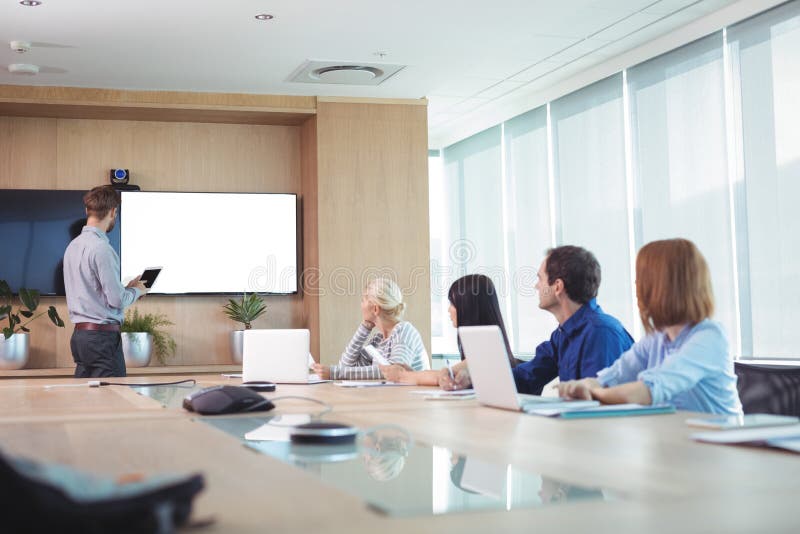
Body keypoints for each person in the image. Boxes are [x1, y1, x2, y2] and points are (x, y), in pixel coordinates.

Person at [557, 239, 743, 415]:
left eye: (643, 279)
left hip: (723, 446)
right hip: (677, 439)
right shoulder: (657, 339)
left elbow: (647, 391)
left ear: (665, 286)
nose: (637, 286)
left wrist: (593, 392)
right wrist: (586, 386)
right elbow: (609, 379)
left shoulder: (710, 337)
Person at [443, 246, 633, 392]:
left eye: (540, 279)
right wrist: (472, 378)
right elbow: (525, 377)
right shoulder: (562, 335)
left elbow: (597, 406)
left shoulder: (601, 334)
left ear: (557, 286)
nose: (536, 286)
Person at [63, 186, 147, 377]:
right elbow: (116, 300)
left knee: (87, 402)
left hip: (81, 337)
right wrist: (138, 291)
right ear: (113, 211)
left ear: (87, 210)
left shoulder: (72, 247)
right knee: (113, 401)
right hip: (101, 339)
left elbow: (93, 292)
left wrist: (127, 289)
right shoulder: (102, 249)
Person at [381, 274, 515, 386]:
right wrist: (411, 374)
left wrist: (402, 376)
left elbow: (444, 376)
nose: (448, 310)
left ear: (468, 308)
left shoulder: (487, 347)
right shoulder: (484, 344)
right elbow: (447, 374)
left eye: (453, 304)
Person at [312, 277, 428, 380]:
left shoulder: (404, 331)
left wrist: (334, 373)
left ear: (376, 309)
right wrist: (364, 328)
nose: (361, 305)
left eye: (363, 300)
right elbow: (346, 366)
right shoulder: (378, 339)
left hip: (412, 401)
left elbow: (394, 371)